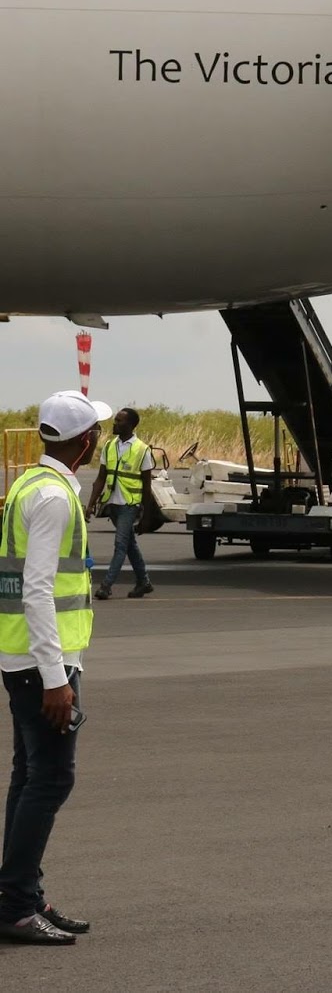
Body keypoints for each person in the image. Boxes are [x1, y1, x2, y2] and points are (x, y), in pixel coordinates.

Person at [0, 390, 111, 946]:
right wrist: (55, 679)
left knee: (30, 776)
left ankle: (18, 895)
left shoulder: (28, 482)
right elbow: (39, 591)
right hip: (41, 661)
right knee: (50, 778)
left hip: (24, 654)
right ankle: (16, 906)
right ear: (85, 442)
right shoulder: (54, 498)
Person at [86, 407, 155, 601]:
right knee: (129, 544)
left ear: (131, 425)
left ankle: (106, 586)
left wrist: (147, 517)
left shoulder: (142, 450)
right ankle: (144, 582)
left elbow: (147, 486)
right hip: (113, 505)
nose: (114, 423)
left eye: (119, 421)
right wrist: (91, 504)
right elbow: (101, 478)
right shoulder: (109, 446)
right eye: (115, 420)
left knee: (120, 545)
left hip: (129, 505)